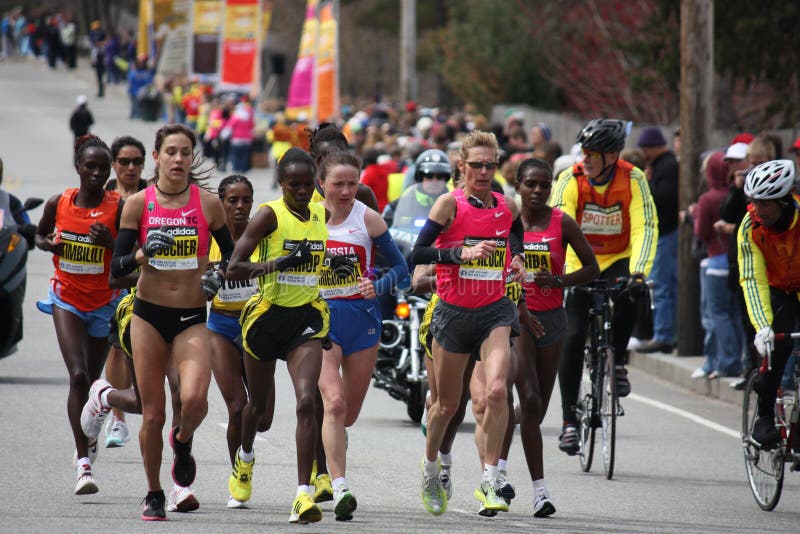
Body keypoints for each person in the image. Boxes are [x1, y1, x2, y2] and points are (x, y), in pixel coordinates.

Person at [107, 123, 233, 520]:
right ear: (157, 157)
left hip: (192, 315)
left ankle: (181, 441)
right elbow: (117, 267)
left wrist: (219, 274)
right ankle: (155, 492)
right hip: (148, 316)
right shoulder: (138, 204)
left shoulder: (209, 204)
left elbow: (232, 256)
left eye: (185, 152)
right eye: (171, 152)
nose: (179, 159)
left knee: (195, 399)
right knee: (154, 411)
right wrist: (143, 254)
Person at [411, 130, 526, 516]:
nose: (483, 171)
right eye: (476, 164)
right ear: (462, 166)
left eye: (490, 165)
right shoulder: (449, 204)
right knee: (446, 405)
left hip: (494, 311)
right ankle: (431, 468)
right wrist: (462, 253)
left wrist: (518, 260)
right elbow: (418, 253)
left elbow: (515, 234)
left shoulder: (506, 204)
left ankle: (491, 479)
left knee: (496, 391)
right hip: (453, 312)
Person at [224, 147, 330, 524]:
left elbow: (317, 257)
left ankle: (303, 494)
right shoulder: (269, 215)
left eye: (307, 184)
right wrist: (278, 264)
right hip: (266, 318)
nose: (302, 191)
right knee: (258, 407)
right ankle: (245, 459)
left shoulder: (321, 211)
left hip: (306, 319)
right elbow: (234, 268)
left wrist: (335, 262)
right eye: (293, 185)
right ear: (281, 184)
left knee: (306, 401)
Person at [549, 118, 657, 454]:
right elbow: (558, 226)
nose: (585, 158)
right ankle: (569, 421)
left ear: (612, 156)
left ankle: (618, 359)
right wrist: (566, 275)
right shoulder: (571, 179)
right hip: (581, 262)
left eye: (593, 153)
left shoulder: (634, 179)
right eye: (583, 152)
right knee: (572, 336)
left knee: (630, 294)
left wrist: (638, 272)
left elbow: (645, 226)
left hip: (619, 257)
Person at [316, 150, 408, 520]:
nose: (346, 190)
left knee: (347, 415)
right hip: (320, 321)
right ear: (321, 184)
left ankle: (333, 438)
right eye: (338, 183)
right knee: (333, 403)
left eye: (352, 183)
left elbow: (401, 269)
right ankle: (339, 486)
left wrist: (378, 285)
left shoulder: (367, 218)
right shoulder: (308, 220)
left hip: (362, 322)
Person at [34, 135, 124, 495]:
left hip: (103, 303)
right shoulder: (60, 202)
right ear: (78, 167)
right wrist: (49, 244)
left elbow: (132, 254)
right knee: (77, 375)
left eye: (104, 167)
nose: (97, 173)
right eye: (91, 166)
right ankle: (83, 463)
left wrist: (111, 244)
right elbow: (38, 236)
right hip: (67, 298)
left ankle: (88, 431)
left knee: (91, 381)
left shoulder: (119, 207)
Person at [514, 158, 599, 516]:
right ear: (518, 185)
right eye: (530, 183)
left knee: (536, 409)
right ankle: (537, 491)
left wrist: (559, 281)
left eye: (544, 185)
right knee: (530, 398)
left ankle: (498, 441)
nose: (537, 190)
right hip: (517, 319)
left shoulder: (561, 222)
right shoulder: (506, 224)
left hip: (552, 319)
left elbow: (592, 268)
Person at [205, 175, 271, 509]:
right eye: (233, 200)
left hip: (258, 325)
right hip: (221, 325)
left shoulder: (262, 236)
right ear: (221, 203)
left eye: (247, 200)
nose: (241, 207)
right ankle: (239, 474)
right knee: (236, 405)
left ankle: (247, 448)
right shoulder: (210, 238)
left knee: (264, 416)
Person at [738, 160, 800, 449]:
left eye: (766, 203)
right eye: (754, 201)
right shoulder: (750, 226)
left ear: (784, 200)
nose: (758, 209)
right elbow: (752, 279)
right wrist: (762, 326)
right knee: (775, 347)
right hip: (775, 289)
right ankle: (763, 417)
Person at [101, 136, 148, 447]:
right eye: (124, 162)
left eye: (137, 162)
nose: (131, 168)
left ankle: (133, 401)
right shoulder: (103, 195)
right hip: (114, 283)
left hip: (147, 282)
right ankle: (118, 419)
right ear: (114, 165)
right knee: (117, 348)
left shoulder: (152, 195)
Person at [636, 126, 679, 353]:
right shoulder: (661, 165)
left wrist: (647, 182)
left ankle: (664, 335)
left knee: (661, 287)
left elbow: (664, 197)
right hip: (661, 234)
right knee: (663, 286)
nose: (644, 153)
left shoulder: (668, 166)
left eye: (645, 149)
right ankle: (666, 333)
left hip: (666, 233)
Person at [127, 54, 154, 120]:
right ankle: (134, 114)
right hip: (134, 91)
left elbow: (150, 82)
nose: (141, 63)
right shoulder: (134, 72)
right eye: (139, 62)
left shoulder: (147, 72)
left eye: (142, 62)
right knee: (134, 103)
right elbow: (131, 81)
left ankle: (138, 114)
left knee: (140, 104)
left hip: (143, 92)